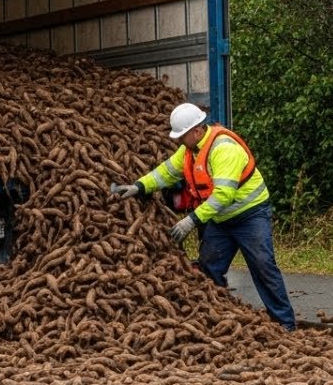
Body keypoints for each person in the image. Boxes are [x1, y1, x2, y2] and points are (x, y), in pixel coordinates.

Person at [114, 103, 296, 331]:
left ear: (197, 131)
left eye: (181, 136)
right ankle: (221, 318)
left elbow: (223, 196)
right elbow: (167, 171)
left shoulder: (223, 149)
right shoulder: (190, 150)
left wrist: (192, 220)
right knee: (209, 268)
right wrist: (140, 186)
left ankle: (285, 324)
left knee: (263, 266)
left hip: (250, 215)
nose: (178, 141)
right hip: (221, 220)